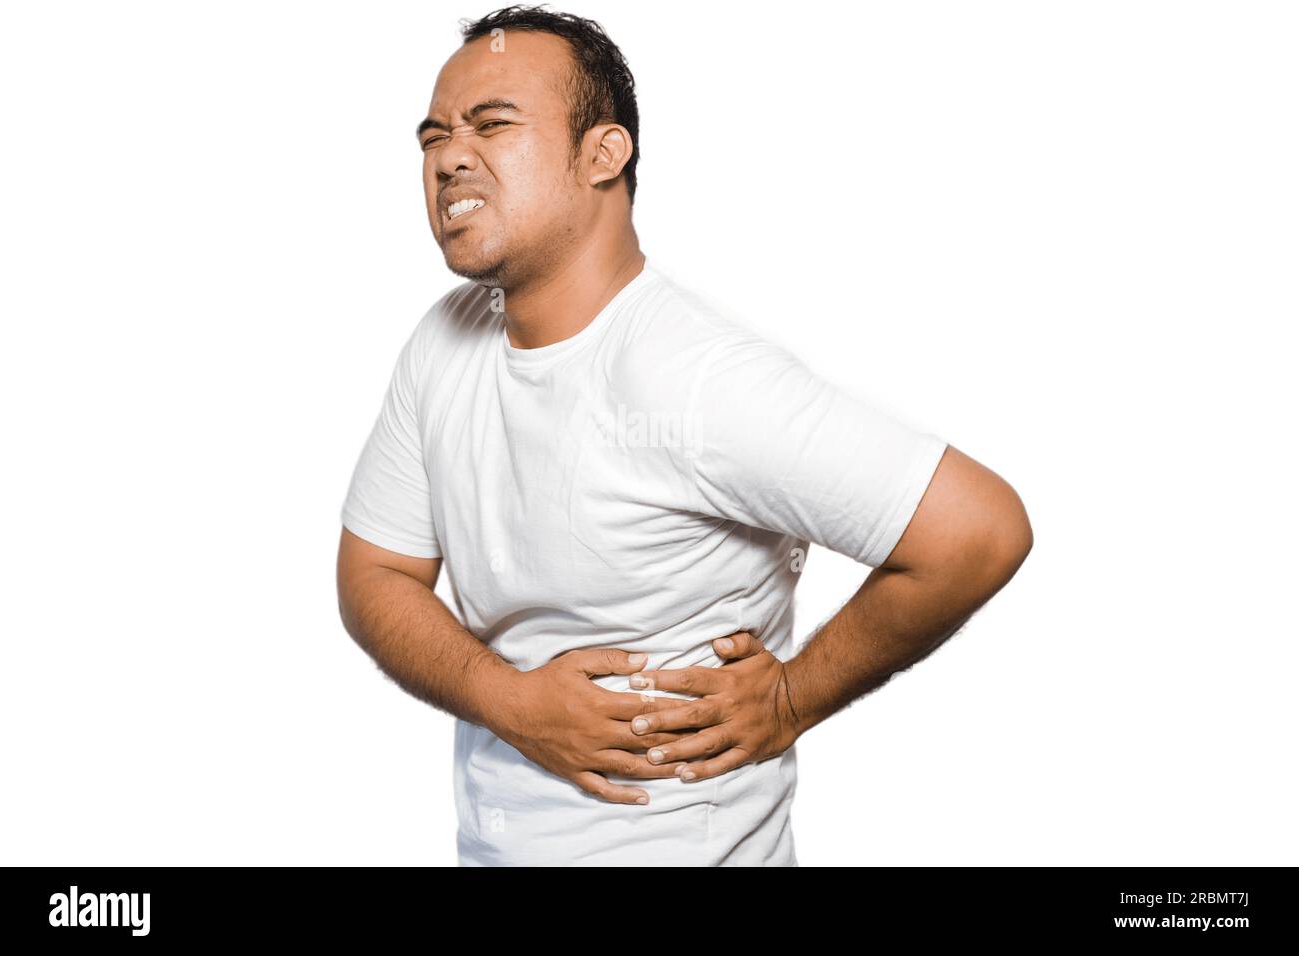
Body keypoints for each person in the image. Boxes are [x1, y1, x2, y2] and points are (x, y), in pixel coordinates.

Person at [336, 4, 1033, 866]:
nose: (449, 157)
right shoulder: (441, 344)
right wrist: (504, 699)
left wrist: (790, 700)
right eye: (433, 135)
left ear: (604, 152)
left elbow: (978, 531)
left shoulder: (698, 379)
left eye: (494, 124)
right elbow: (375, 573)